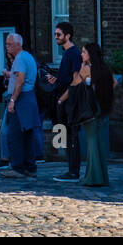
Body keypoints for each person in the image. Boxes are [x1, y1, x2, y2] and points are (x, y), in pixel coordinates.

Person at [66, 42, 114, 188]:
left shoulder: (87, 68)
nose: (82, 54)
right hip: (100, 107)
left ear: (90, 54)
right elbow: (114, 83)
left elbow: (74, 84)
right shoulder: (104, 68)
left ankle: (93, 177)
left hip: (89, 109)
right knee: (97, 142)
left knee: (92, 143)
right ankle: (101, 177)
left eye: (84, 52)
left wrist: (80, 69)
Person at [47, 22, 83, 182]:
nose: (56, 37)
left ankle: (74, 172)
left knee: (72, 136)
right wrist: (57, 79)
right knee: (67, 136)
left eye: (58, 35)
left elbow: (76, 79)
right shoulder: (67, 53)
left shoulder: (74, 53)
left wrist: (62, 99)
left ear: (67, 36)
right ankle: (71, 170)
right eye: (55, 34)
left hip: (70, 101)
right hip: (64, 99)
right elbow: (67, 77)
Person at [1, 33, 41, 179]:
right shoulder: (28, 57)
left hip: (21, 99)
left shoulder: (19, 58)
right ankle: (30, 167)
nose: (7, 47)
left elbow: (21, 80)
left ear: (18, 44)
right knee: (27, 135)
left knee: (16, 135)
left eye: (9, 44)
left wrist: (13, 100)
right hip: (29, 98)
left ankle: (18, 167)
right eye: (6, 44)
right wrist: (10, 75)